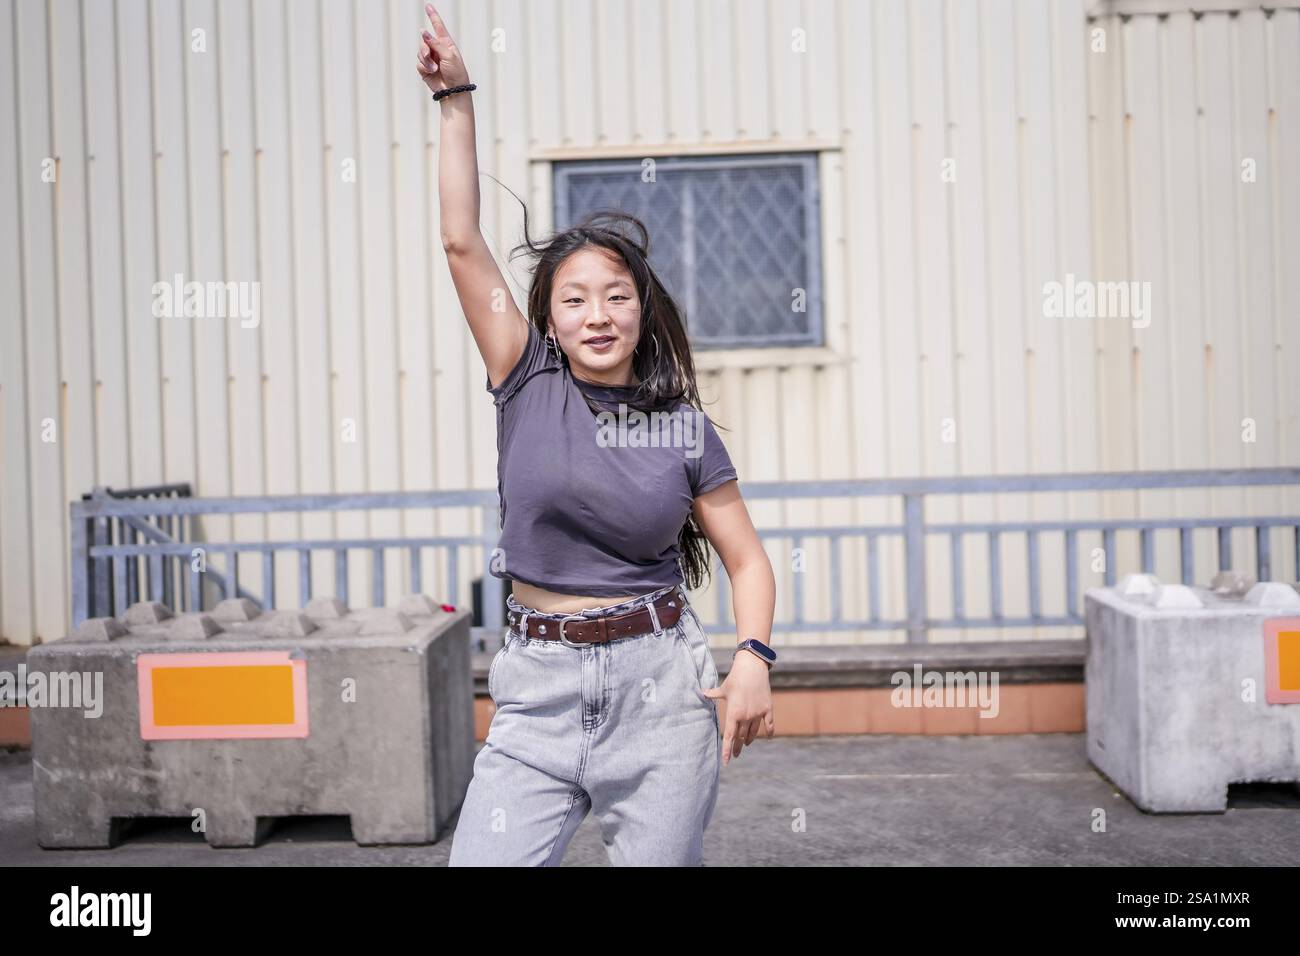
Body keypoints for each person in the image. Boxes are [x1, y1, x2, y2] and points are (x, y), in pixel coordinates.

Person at [416, 3, 777, 867]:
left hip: (660, 690)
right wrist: (456, 98)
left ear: (641, 310)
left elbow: (749, 560)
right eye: (573, 298)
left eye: (615, 295)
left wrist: (754, 657)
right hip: (536, 692)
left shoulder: (683, 428)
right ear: (547, 315)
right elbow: (462, 243)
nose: (597, 313)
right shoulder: (526, 378)